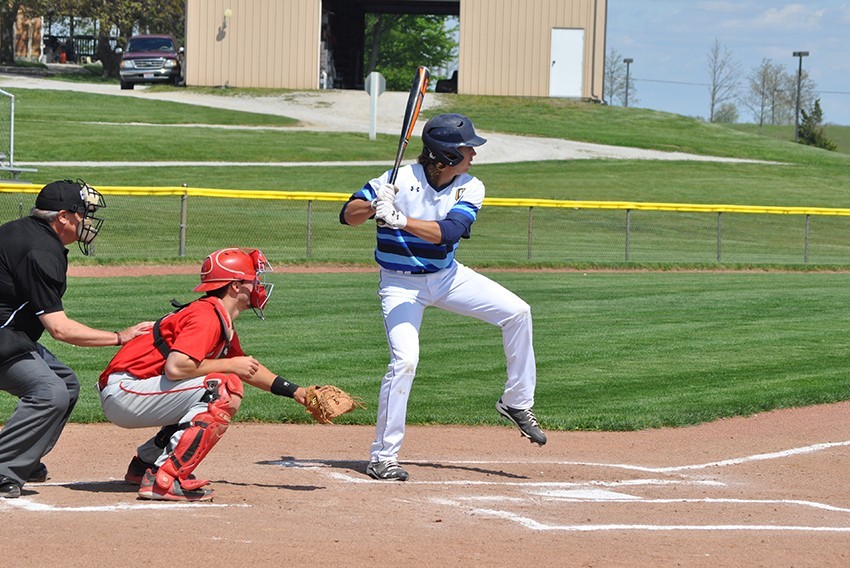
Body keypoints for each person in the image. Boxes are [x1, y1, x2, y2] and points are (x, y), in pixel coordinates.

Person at [339, 113, 546, 482]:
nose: (474, 155)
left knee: (517, 312)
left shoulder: (470, 186)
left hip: (448, 277)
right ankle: (383, 457)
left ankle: (516, 402)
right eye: (468, 149)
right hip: (400, 285)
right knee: (405, 361)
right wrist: (373, 205)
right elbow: (347, 216)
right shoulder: (396, 179)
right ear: (446, 155)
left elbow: (449, 232)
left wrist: (400, 220)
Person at [98, 247, 311, 502]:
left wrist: (297, 392)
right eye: (253, 280)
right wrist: (231, 366)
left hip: (134, 389)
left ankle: (146, 464)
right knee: (223, 388)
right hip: (127, 391)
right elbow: (177, 367)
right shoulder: (206, 316)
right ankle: (164, 478)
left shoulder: (217, 315)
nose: (258, 286)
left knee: (209, 389)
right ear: (235, 286)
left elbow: (248, 369)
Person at [0, 179, 152, 499]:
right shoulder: (40, 251)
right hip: (5, 337)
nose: (87, 221)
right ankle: (4, 467)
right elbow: (60, 329)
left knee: (66, 382)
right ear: (63, 217)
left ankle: (25, 458)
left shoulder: (23, 231)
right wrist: (119, 337)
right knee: (50, 392)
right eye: (82, 213)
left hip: (10, 334)